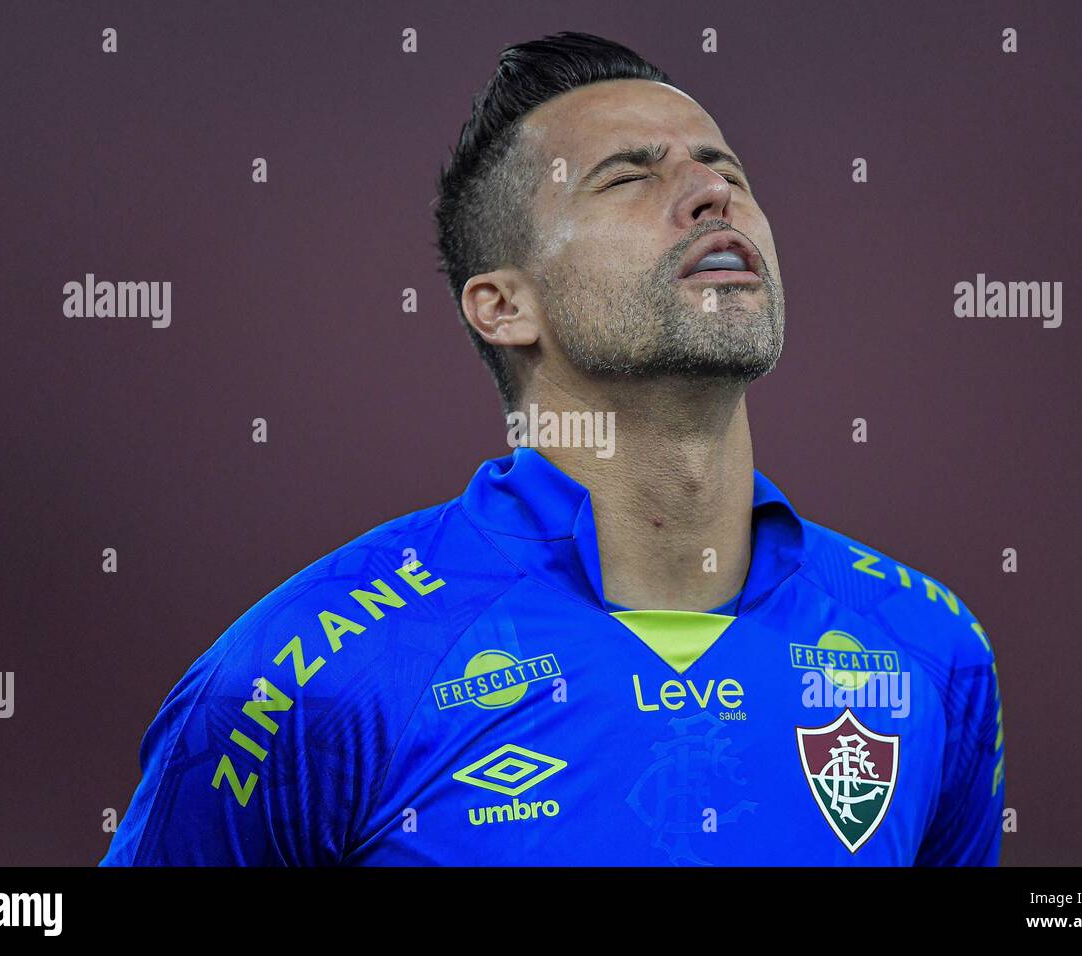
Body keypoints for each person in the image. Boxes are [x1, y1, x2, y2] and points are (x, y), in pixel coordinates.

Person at [101, 31, 1004, 866]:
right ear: (504, 305)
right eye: (627, 177)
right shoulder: (309, 678)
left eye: (723, 166)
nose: (711, 192)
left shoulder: (927, 649)